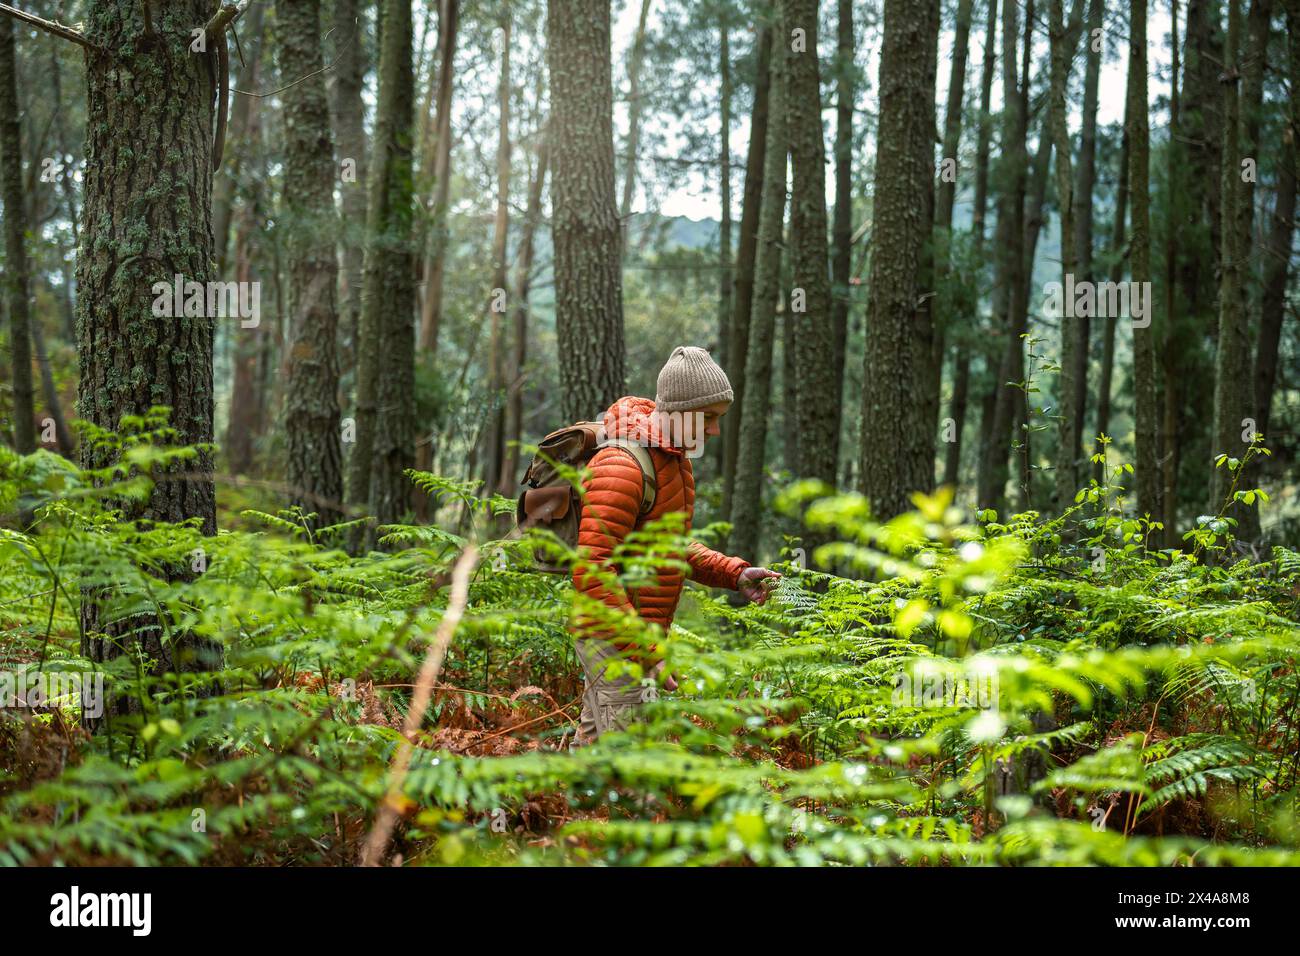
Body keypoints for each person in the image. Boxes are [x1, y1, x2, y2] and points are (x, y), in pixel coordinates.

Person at [569, 346, 781, 746]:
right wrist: (648, 648)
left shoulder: (671, 460)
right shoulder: (622, 465)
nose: (715, 431)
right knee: (621, 753)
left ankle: (558, 806)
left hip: (632, 630)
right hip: (612, 631)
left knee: (600, 742)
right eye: (709, 418)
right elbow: (593, 571)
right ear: (680, 411)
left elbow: (667, 546)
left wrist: (732, 572)